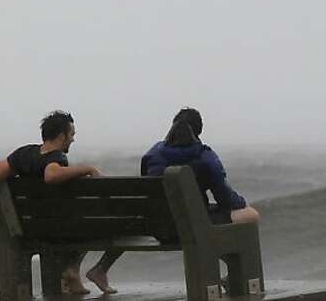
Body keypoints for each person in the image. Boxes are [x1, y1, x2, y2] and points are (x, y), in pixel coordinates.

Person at [83, 108, 260, 287]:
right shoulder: (205, 157)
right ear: (198, 131)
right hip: (191, 227)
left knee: (193, 217)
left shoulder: (152, 155)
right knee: (250, 215)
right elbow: (226, 200)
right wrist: (241, 203)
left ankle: (101, 268)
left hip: (159, 228)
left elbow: (148, 191)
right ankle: (234, 276)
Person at [0, 110, 104, 295]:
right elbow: (51, 175)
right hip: (56, 228)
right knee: (93, 225)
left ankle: (70, 278)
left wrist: (21, 169)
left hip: (27, 227)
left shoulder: (24, 154)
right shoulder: (56, 158)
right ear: (60, 136)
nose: (72, 139)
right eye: (71, 135)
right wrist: (87, 169)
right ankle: (72, 270)